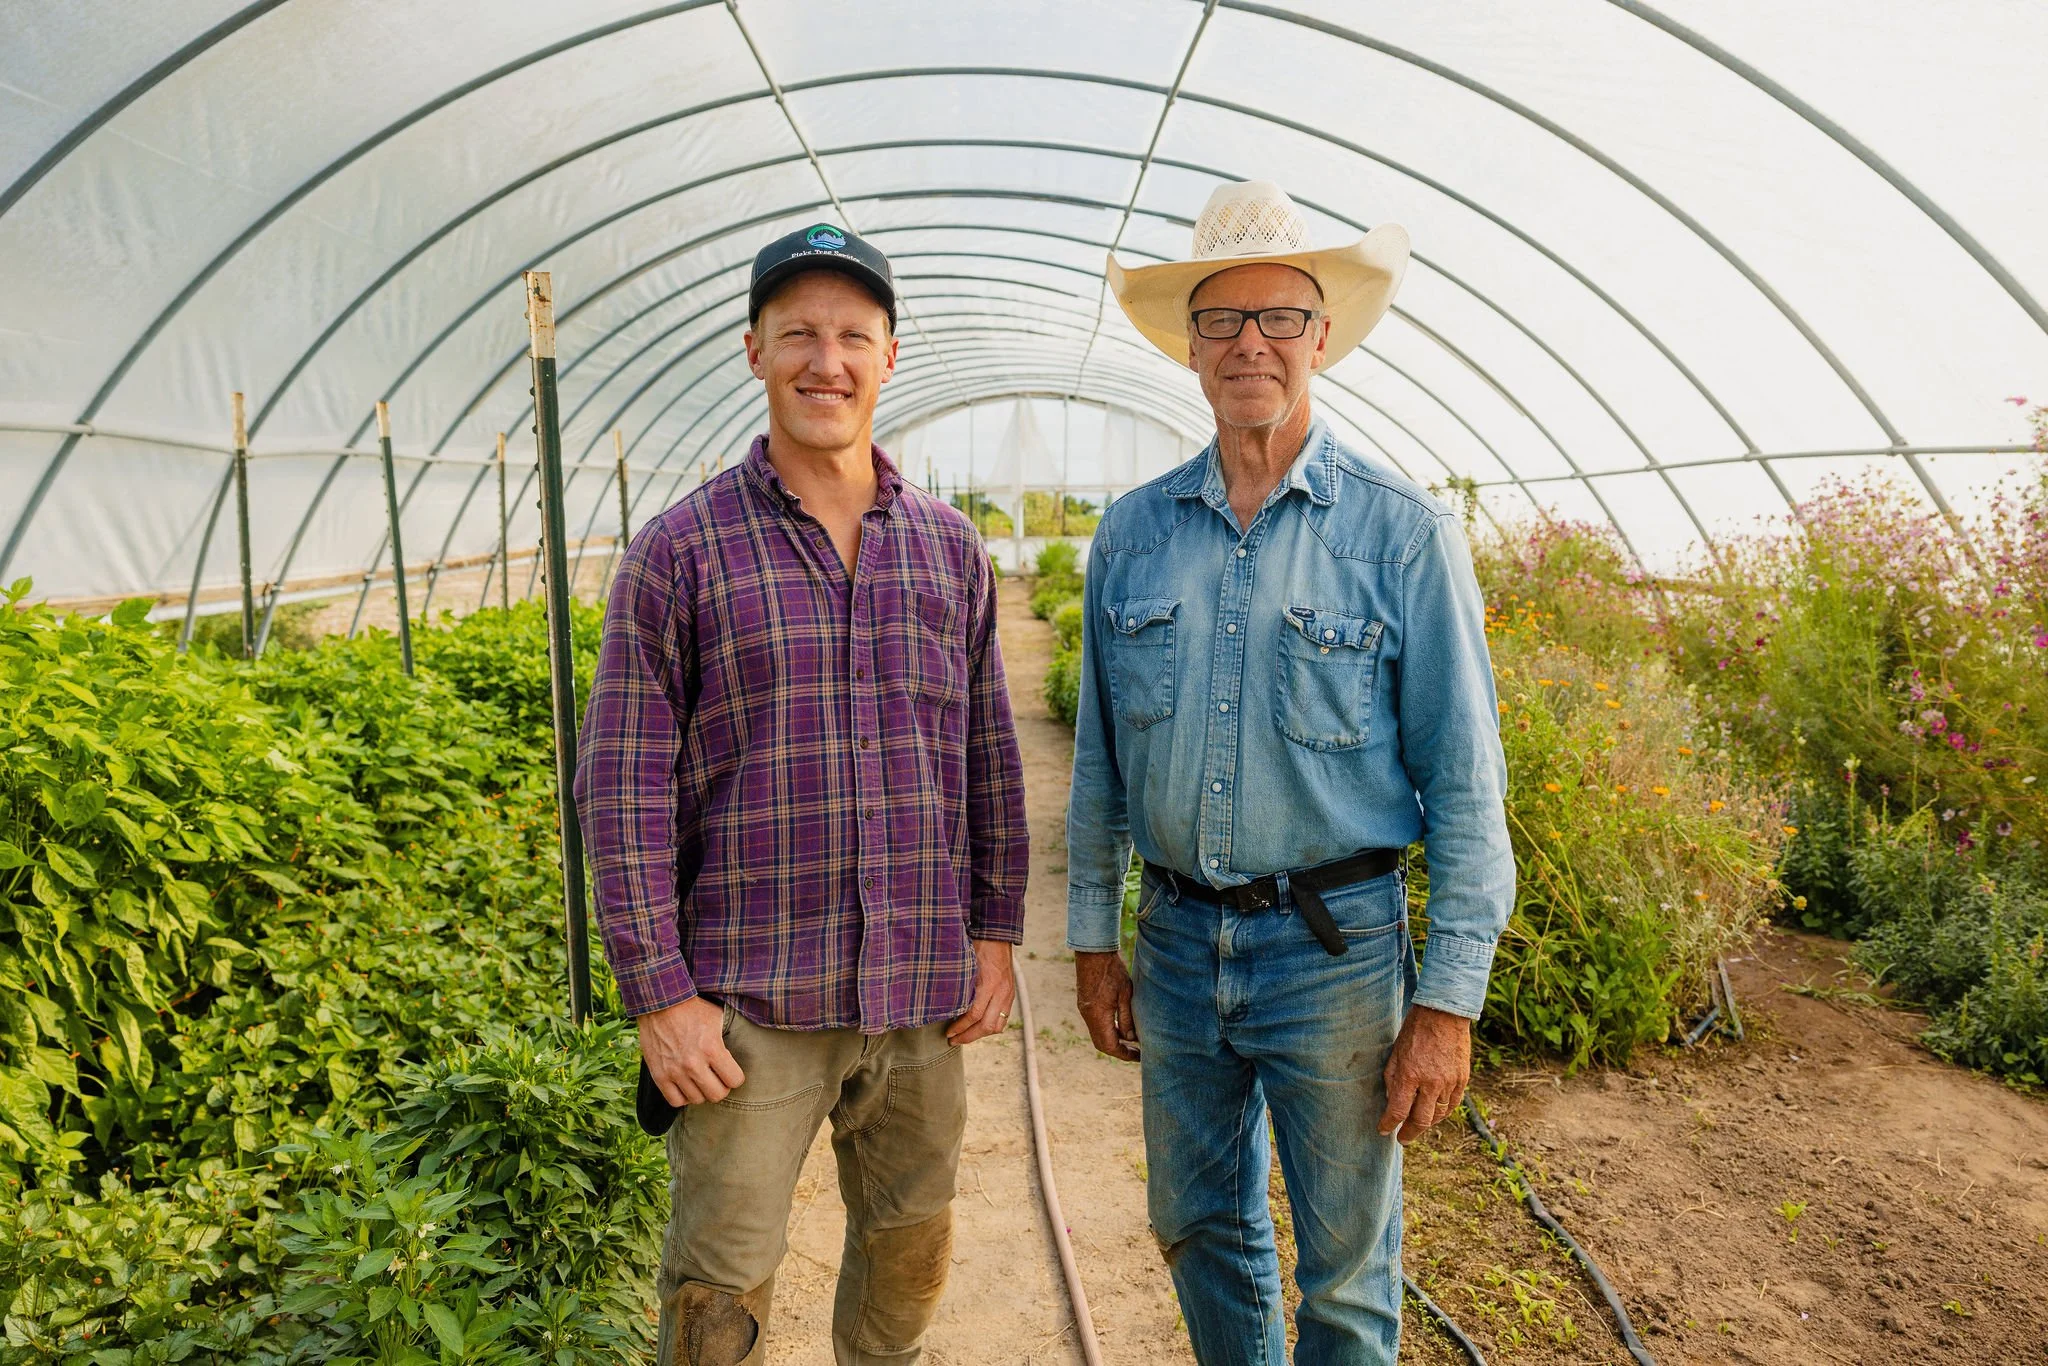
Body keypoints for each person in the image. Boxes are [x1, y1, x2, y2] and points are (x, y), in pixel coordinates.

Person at [1065, 180, 1515, 1364]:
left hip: (1334, 952)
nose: (1248, 343)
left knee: (1347, 1277)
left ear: (1321, 336)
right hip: (1174, 944)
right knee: (1197, 1226)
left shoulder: (1399, 533)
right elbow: (1100, 764)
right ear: (1190, 345)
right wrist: (1092, 940)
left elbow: (1466, 787)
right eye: (1220, 319)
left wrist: (1446, 1004)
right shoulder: (1133, 534)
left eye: (1277, 318)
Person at [575, 221, 1029, 1366]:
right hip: (748, 1008)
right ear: (753, 351)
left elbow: (986, 753)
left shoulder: (948, 550)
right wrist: (658, 994)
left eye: (852, 337)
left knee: (908, 1248)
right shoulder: (680, 552)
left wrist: (993, 932)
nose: (826, 361)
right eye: (797, 336)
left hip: (917, 991)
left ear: (888, 357)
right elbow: (619, 785)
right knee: (717, 1288)